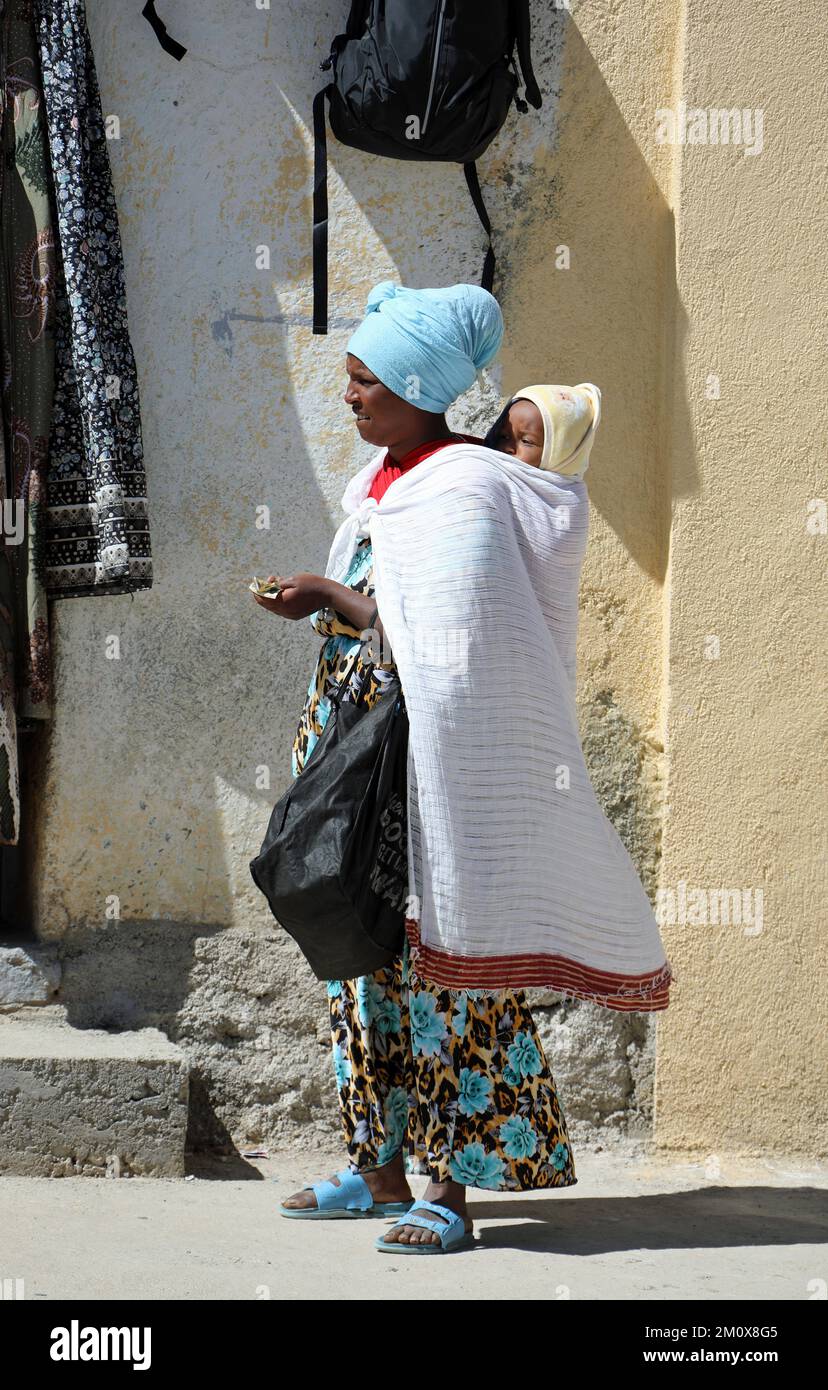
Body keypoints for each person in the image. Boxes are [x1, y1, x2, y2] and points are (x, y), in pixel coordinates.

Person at [252, 283, 584, 1254]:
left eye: (365, 381)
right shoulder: (381, 483)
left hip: (440, 768)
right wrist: (329, 604)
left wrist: (331, 597)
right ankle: (376, 1165)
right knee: (358, 962)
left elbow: (454, 631)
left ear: (415, 386)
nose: (348, 395)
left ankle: (450, 1187)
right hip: (361, 759)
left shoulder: (464, 488)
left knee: (448, 973)